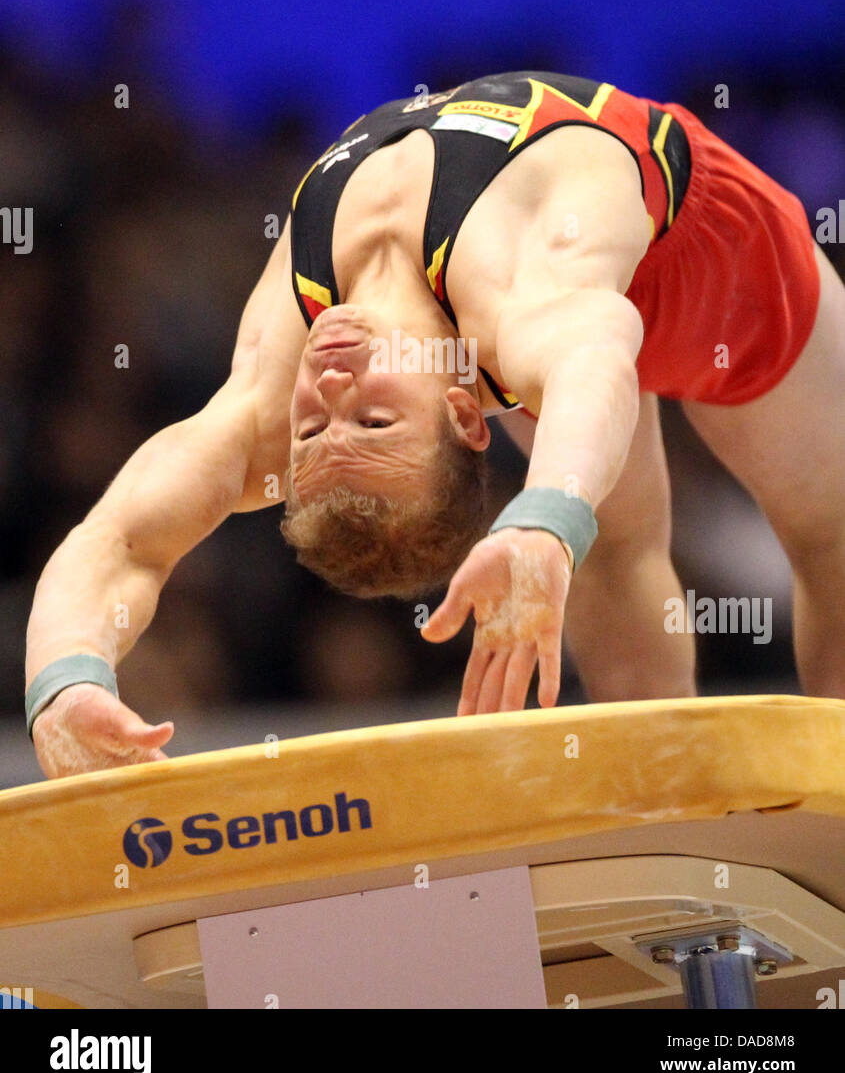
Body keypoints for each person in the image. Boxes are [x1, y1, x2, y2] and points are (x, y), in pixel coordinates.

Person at [25, 71, 845, 778]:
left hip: (582, 301)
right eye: (375, 419)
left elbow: (120, 542)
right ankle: (673, 821)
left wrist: (65, 681)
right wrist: (545, 522)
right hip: (707, 257)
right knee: (808, 535)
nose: (330, 386)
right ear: (464, 408)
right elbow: (596, 354)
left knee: (608, 531)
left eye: (312, 433)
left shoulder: (273, 382)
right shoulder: (516, 295)